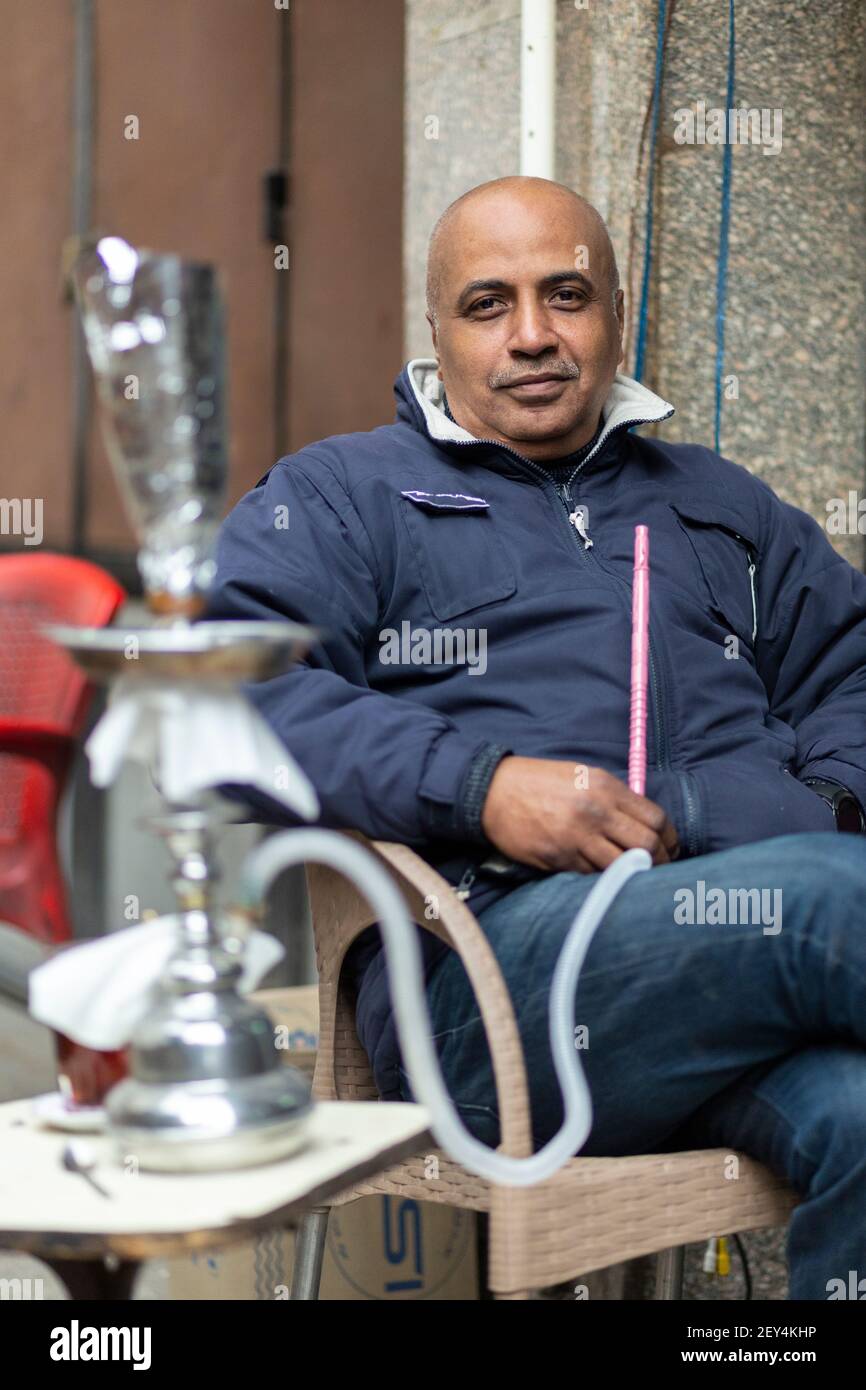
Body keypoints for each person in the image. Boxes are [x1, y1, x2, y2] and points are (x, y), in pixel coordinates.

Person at [205, 176, 866, 1300]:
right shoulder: (339, 497)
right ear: (436, 330)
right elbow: (233, 702)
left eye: (565, 295)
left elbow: (847, 675)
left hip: (732, 976)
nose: (531, 336)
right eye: (486, 303)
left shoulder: (719, 504)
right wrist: (480, 785)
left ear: (613, 313)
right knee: (830, 900)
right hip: (489, 981)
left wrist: (796, 811)